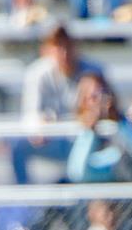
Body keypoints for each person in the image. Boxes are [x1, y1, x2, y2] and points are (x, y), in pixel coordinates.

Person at [13, 24, 102, 184]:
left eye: (67, 45)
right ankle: (25, 200)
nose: (64, 53)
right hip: (53, 140)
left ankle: (94, 197)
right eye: (58, 46)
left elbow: (106, 109)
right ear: (47, 49)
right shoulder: (37, 73)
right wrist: (39, 125)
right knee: (17, 144)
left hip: (84, 138)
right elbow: (30, 115)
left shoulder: (93, 72)